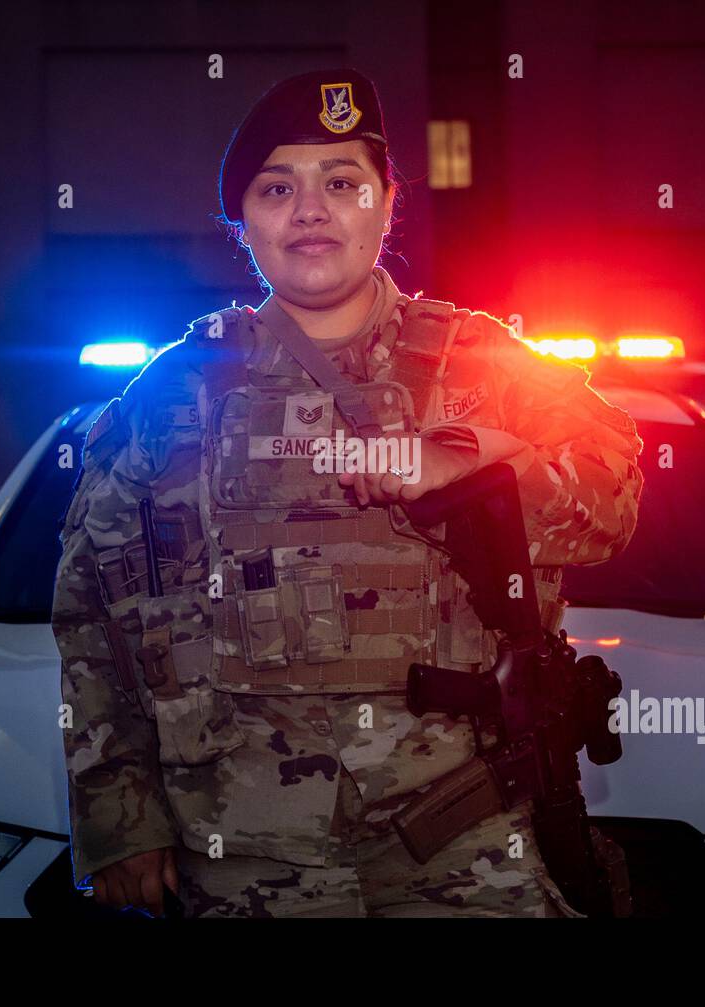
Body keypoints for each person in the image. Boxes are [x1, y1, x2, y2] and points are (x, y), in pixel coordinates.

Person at [51, 67, 645, 918]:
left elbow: (617, 495)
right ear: (241, 221)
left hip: (468, 838)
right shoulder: (173, 393)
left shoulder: (485, 365)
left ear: (386, 201)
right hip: (245, 848)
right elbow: (87, 608)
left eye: (340, 183)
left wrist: (473, 454)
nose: (309, 209)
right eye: (276, 187)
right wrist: (119, 818)